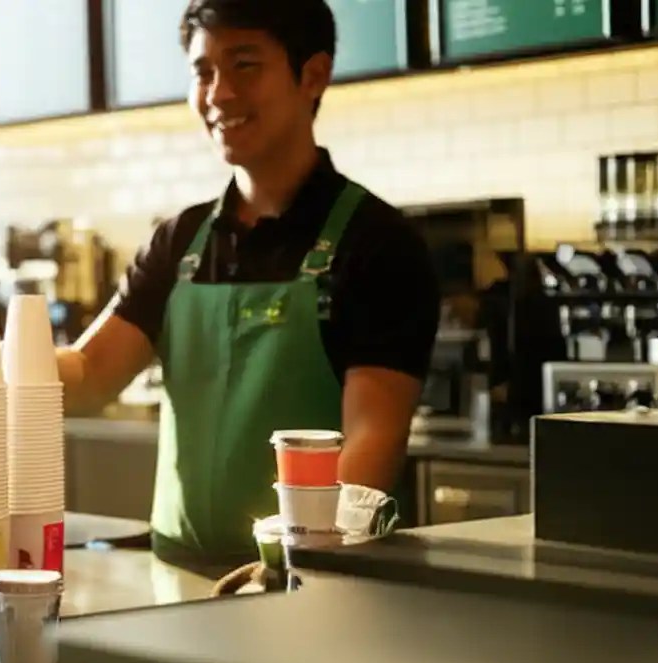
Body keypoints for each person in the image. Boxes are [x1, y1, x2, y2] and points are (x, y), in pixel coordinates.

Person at [57, 0, 440, 569]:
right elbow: (88, 376)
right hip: (177, 586)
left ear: (313, 75)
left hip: (313, 591)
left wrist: (294, 564)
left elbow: (372, 441)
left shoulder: (377, 244)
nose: (218, 94)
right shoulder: (179, 242)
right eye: (203, 71)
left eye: (244, 65)